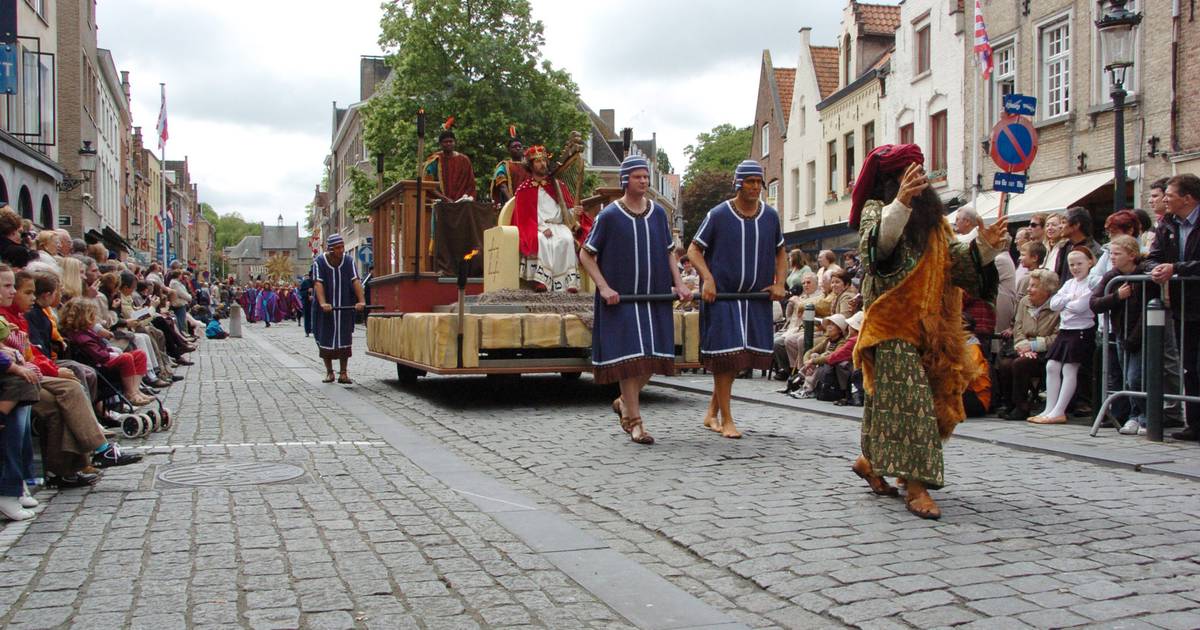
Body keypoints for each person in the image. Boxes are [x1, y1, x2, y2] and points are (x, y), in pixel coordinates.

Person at [848, 144, 1009, 520]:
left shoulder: (937, 223)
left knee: (897, 402)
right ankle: (916, 487)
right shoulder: (877, 209)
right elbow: (877, 253)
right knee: (913, 404)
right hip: (890, 323)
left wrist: (985, 247)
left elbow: (956, 265)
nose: (919, 183)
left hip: (932, 326)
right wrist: (900, 205)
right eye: (910, 176)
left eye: (922, 176)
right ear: (893, 181)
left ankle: (868, 461)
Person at [579, 155, 691, 445]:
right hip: (623, 300)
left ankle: (624, 403)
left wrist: (678, 284)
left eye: (646, 177)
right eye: (639, 176)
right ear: (626, 180)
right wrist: (603, 287)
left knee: (653, 360)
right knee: (631, 361)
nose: (644, 181)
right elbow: (586, 254)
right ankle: (636, 421)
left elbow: (669, 252)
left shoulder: (657, 214)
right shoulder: (610, 215)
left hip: (654, 297)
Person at [687, 160, 787, 439]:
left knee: (739, 359)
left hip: (754, 299)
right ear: (738, 183)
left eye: (759, 182)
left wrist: (780, 282)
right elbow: (694, 251)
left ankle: (710, 413)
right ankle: (727, 419)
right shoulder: (718, 214)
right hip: (724, 298)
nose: (755, 187)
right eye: (749, 182)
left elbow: (781, 252)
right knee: (726, 358)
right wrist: (708, 277)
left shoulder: (770, 216)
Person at [1147, 173, 1200, 441]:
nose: (1164, 199)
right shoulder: (1167, 224)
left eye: (1169, 195)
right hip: (1181, 303)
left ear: (1188, 198)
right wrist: (1155, 269)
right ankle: (1195, 423)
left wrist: (1176, 268)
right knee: (1189, 365)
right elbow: (1153, 256)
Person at [1091, 235, 1157, 435]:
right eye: (1111, 253)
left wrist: (1134, 338)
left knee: (1136, 377)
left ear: (1131, 255)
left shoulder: (1144, 274)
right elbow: (1095, 303)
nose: (1112, 257)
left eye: (1117, 253)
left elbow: (1148, 310)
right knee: (1128, 379)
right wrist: (1116, 296)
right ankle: (1135, 416)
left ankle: (1147, 416)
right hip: (1120, 333)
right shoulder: (1112, 276)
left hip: (1140, 334)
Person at [1030, 249, 1096, 424]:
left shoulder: (1092, 283)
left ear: (1090, 262)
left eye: (1079, 263)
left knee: (1069, 369)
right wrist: (1069, 298)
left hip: (1080, 329)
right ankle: (1049, 408)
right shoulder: (1069, 284)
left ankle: (1059, 410)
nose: (1075, 268)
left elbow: (1081, 306)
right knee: (1051, 366)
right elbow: (1054, 304)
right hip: (1066, 330)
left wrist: (1066, 302)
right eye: (1072, 264)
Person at [511, 144, 585, 293]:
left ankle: (568, 282)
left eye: (544, 160)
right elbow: (524, 216)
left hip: (559, 225)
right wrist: (542, 228)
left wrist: (575, 211)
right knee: (542, 240)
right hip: (537, 226)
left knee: (567, 239)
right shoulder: (524, 189)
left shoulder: (557, 185)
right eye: (538, 161)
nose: (542, 164)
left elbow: (567, 210)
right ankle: (542, 281)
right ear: (531, 165)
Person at [995, 269, 1060, 421]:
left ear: (1046, 289)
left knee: (1020, 364)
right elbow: (1018, 327)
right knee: (1005, 364)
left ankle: (1021, 406)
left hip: (1045, 352)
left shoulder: (1056, 306)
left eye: (1034, 286)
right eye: (1029, 285)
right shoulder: (1024, 302)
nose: (1028, 289)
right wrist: (1022, 345)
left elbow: (1057, 336)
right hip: (1022, 347)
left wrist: (1033, 346)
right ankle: (1009, 404)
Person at [311, 234, 365, 384]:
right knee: (325, 338)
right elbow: (318, 283)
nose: (341, 250)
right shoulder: (319, 262)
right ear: (330, 249)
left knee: (344, 338)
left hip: (344, 305)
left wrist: (361, 300)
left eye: (342, 247)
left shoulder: (348, 261)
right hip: (326, 308)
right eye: (337, 248)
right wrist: (323, 303)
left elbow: (355, 280)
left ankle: (343, 372)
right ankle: (329, 372)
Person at [423, 129, 477, 203]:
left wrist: (465, 198)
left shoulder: (464, 160)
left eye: (451, 141)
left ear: (455, 143)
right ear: (440, 144)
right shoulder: (435, 160)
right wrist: (443, 198)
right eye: (445, 142)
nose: (448, 143)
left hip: (461, 203)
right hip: (441, 203)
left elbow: (471, 184)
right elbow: (428, 184)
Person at [490, 136, 530, 205]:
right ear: (508, 150)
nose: (518, 148)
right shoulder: (504, 166)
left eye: (520, 146)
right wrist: (512, 202)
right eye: (514, 147)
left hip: (529, 202)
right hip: (511, 203)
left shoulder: (529, 166)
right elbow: (503, 186)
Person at [299, 272, 314, 336]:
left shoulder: (317, 282)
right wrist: (307, 291)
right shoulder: (305, 282)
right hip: (307, 303)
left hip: (315, 303)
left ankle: (314, 330)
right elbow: (301, 292)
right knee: (307, 317)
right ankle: (307, 331)